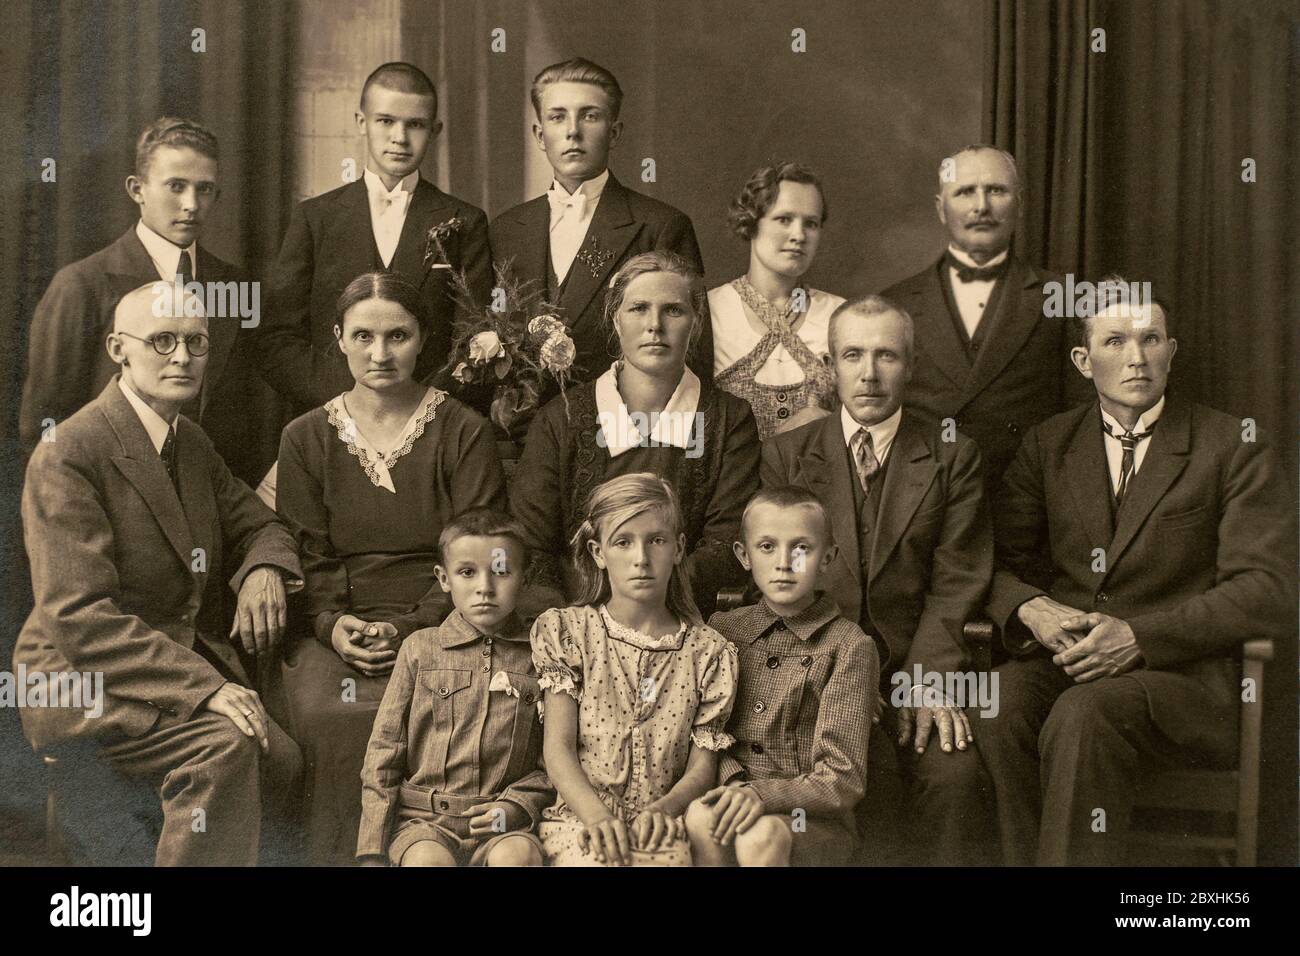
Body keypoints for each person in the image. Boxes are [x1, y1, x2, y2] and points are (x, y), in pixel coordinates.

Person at [979, 282, 1296, 865]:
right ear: (1083, 360)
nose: (1136, 357)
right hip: (1070, 661)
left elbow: (1267, 589)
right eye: (1116, 340)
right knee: (1000, 704)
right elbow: (992, 565)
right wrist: (1028, 606)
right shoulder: (1049, 445)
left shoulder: (1232, 445)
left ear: (1172, 352)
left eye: (1151, 339)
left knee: (1085, 713)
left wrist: (1140, 637)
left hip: (1183, 680)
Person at [13, 282, 304, 866]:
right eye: (163, 340)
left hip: (160, 663)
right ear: (119, 349)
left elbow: (261, 525)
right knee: (226, 745)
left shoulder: (188, 441)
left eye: (196, 342)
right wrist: (208, 689)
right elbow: (79, 617)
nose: (182, 357)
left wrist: (263, 570)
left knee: (287, 758)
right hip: (79, 676)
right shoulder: (70, 451)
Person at [276, 271, 507, 864]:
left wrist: (412, 628)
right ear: (339, 339)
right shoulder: (305, 437)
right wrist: (332, 625)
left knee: (445, 707)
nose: (380, 354)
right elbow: (308, 551)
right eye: (363, 337)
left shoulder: (463, 431)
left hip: (447, 620)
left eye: (398, 336)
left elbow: (476, 552)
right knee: (330, 715)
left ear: (423, 339)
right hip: (335, 624)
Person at [760, 295, 994, 865]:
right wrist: (839, 683)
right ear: (829, 364)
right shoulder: (787, 455)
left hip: (914, 672)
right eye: (853, 355)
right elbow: (775, 581)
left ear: (911, 366)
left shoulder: (951, 455)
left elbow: (958, 577)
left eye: (887, 356)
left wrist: (927, 678)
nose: (869, 374)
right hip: (816, 673)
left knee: (953, 775)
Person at [511, 252, 759, 620]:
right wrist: (574, 624)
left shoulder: (729, 420)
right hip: (575, 620)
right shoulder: (561, 417)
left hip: (683, 621)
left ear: (696, 322)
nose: (654, 325)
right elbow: (532, 544)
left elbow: (725, 545)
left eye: (673, 310)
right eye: (638, 308)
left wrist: (645, 611)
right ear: (615, 318)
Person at [19, 117, 266, 485]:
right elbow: (45, 426)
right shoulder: (83, 284)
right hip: (114, 505)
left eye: (204, 189)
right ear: (138, 189)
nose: (190, 204)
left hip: (215, 508)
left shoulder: (236, 285)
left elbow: (252, 412)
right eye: (176, 186)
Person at [261, 62, 492, 418]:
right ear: (362, 123)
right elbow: (278, 339)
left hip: (428, 425)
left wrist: (421, 410)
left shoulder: (464, 222)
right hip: (331, 421)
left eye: (415, 124)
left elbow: (472, 339)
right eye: (386, 121)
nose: (399, 137)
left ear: (435, 130)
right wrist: (346, 403)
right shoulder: (315, 218)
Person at [530, 473, 738, 866]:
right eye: (623, 542)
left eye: (656, 540)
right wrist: (597, 816)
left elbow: (702, 765)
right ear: (597, 552)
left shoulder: (708, 652)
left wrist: (665, 809)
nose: (641, 558)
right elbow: (557, 748)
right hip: (580, 821)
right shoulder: (569, 632)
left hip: (659, 826)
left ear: (678, 549)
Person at [489, 57, 710, 395]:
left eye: (590, 116)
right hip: (522, 431)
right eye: (557, 117)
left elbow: (691, 355)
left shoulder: (661, 226)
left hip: (624, 427)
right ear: (539, 134)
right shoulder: (506, 229)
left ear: (615, 132)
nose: (572, 131)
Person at [688, 487, 878, 866]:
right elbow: (703, 733)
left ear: (827, 558)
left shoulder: (849, 646)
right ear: (744, 556)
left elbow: (843, 777)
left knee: (762, 835)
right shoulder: (722, 630)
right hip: (732, 793)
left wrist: (763, 796)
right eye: (767, 547)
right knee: (700, 816)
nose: (784, 563)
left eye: (801, 548)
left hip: (811, 819)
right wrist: (735, 786)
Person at [881, 145, 1088, 488]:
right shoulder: (893, 304)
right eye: (965, 192)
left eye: (996, 190)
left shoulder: (1066, 296)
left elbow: (1083, 418)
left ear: (1019, 204)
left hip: (1026, 501)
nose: (981, 206)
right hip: (924, 499)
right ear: (941, 208)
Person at [357, 509, 550, 867]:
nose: (485, 588)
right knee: (427, 862)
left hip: (501, 826)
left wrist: (517, 807)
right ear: (443, 579)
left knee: (517, 857)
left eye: (501, 572)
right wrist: (372, 848)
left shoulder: (541, 653)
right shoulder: (419, 649)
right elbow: (384, 752)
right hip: (425, 822)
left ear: (525, 579)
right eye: (467, 572)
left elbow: (552, 757)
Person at [710, 162, 843, 439]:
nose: (799, 235)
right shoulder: (710, 312)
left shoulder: (840, 315)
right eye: (784, 219)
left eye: (811, 223)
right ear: (751, 221)